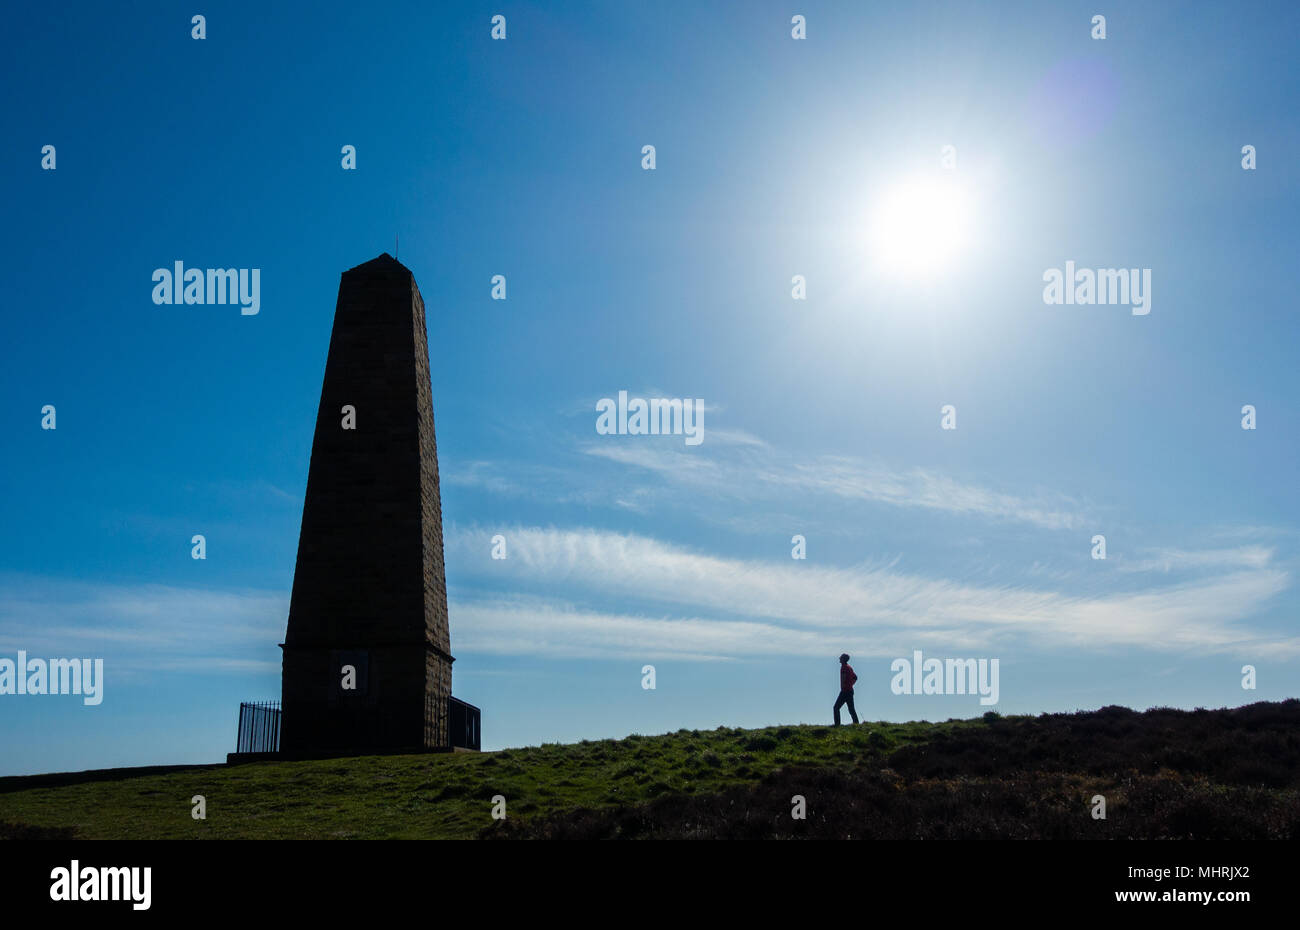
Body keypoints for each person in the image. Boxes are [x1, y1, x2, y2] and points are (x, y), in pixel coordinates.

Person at [833, 653, 859, 725]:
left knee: (836, 707)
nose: (839, 658)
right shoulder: (849, 667)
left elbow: (843, 678)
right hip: (850, 690)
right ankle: (856, 723)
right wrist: (850, 684)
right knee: (851, 709)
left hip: (845, 691)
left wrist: (843, 686)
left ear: (843, 659)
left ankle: (837, 725)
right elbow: (855, 677)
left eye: (840, 657)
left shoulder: (844, 667)